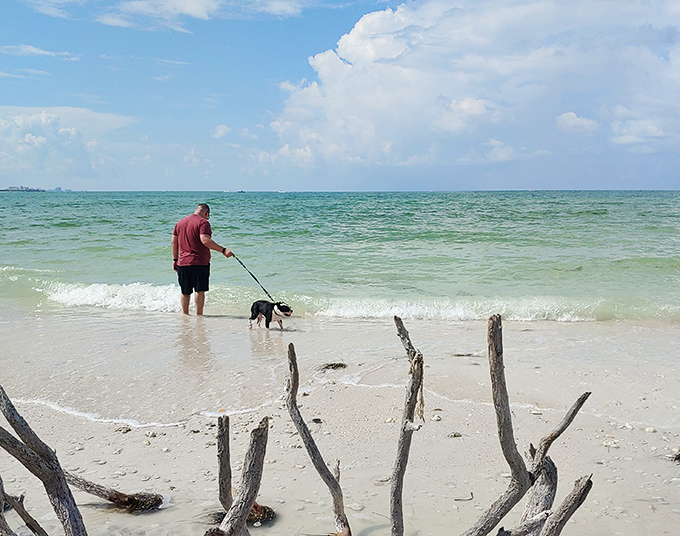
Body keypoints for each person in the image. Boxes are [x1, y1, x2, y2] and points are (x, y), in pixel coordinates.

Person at [172, 203, 233, 315]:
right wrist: (224, 250)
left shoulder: (180, 222)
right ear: (206, 213)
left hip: (182, 262)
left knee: (185, 292)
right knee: (199, 290)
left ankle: (185, 315)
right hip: (199, 262)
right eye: (207, 216)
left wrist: (175, 259)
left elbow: (174, 242)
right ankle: (199, 315)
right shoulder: (203, 222)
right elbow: (205, 240)